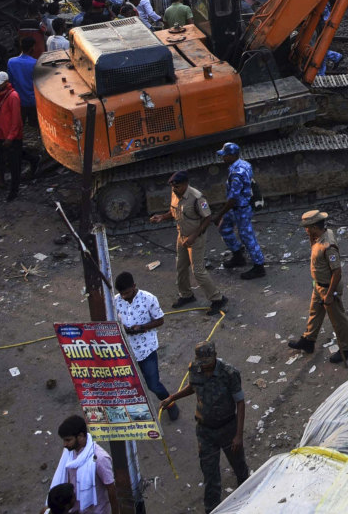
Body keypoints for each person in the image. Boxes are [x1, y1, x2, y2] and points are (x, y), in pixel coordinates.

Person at [160, 342, 247, 512]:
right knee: (210, 475)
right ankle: (212, 509)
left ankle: (249, 498)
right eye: (202, 362)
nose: (205, 366)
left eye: (208, 362)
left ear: (215, 356)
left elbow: (240, 402)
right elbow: (193, 387)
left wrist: (238, 435)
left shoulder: (229, 373)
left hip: (228, 428)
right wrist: (172, 398)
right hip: (205, 431)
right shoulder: (195, 368)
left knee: (239, 467)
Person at [285, 210, 348, 364]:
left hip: (328, 287)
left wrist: (329, 295)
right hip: (318, 285)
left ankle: (347, 349)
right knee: (315, 313)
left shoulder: (328, 246)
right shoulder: (320, 236)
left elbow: (337, 272)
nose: (306, 230)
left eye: (307, 227)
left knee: (338, 320)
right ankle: (308, 340)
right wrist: (311, 237)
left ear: (315, 227)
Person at [152, 172, 227, 313]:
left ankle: (218, 299)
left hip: (196, 238)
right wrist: (162, 217)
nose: (174, 189)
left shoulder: (197, 198)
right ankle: (186, 295)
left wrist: (193, 236)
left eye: (177, 187)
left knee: (198, 271)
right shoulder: (175, 193)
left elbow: (207, 218)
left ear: (186, 184)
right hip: (182, 236)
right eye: (173, 187)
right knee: (180, 267)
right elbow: (174, 211)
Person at [111, 272, 177, 421]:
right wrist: (124, 329)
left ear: (134, 286)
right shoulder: (115, 301)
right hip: (126, 351)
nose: (124, 296)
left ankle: (170, 403)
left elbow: (160, 320)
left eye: (127, 293)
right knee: (130, 386)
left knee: (153, 385)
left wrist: (142, 327)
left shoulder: (149, 298)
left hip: (146, 350)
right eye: (122, 294)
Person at [213, 143, 265, 280]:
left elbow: (233, 199)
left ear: (233, 156)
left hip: (241, 208)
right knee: (224, 228)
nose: (223, 158)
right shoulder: (243, 164)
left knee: (247, 236)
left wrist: (219, 214)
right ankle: (238, 256)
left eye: (225, 155)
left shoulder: (237, 173)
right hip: (236, 208)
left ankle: (259, 267)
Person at [50, 416, 112, 514]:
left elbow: (111, 488)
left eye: (68, 440)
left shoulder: (100, 458)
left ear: (80, 436)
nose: (64, 444)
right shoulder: (69, 453)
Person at [0, 73, 25, 203]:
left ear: (6, 83)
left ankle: (14, 191)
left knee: (14, 164)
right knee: (3, 160)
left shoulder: (13, 97)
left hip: (11, 136)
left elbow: (16, 120)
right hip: (1, 133)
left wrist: (10, 137)